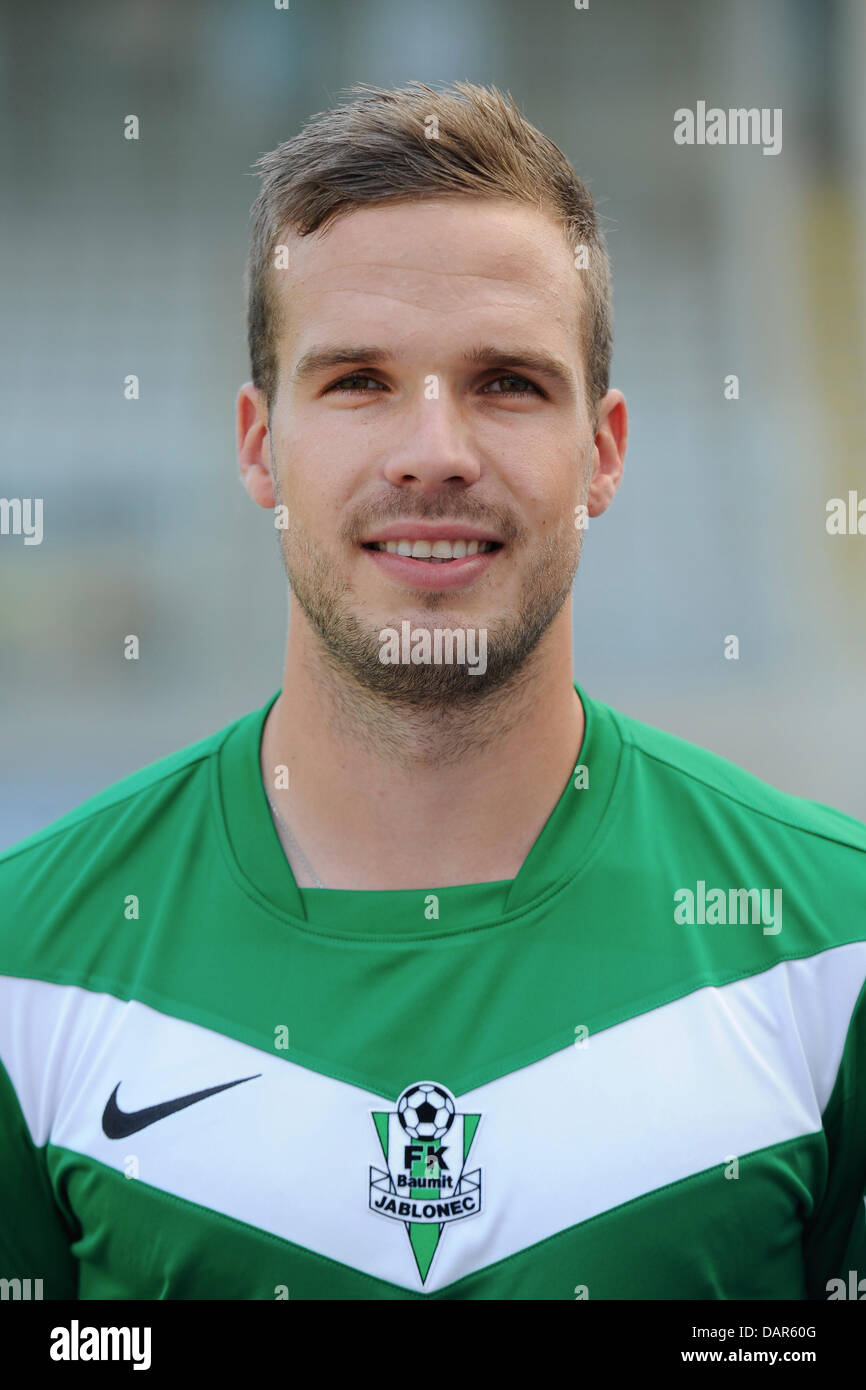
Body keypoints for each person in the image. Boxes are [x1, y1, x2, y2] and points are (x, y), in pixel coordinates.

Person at [0, 81, 863, 1301]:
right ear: (258, 444)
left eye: (506, 382)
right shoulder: (28, 959)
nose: (434, 453)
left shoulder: (831, 944)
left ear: (602, 451)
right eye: (358, 381)